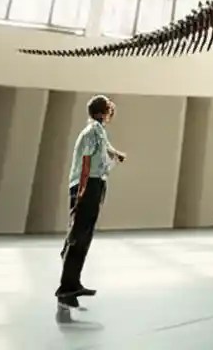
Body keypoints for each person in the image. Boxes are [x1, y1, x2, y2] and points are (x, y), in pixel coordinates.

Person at [56, 94, 126, 309]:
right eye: (108, 108)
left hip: (96, 183)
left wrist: (116, 154)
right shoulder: (91, 131)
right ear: (101, 111)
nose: (111, 111)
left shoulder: (98, 130)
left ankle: (73, 283)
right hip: (89, 184)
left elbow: (103, 148)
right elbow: (86, 160)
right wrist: (83, 189)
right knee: (79, 234)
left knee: (84, 234)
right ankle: (66, 288)